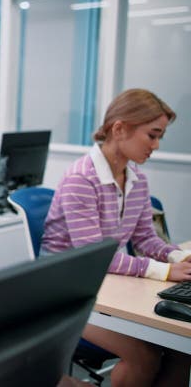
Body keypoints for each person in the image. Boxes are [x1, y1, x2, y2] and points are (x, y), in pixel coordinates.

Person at [41, 88, 191, 387]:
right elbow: (96, 254)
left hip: (108, 284)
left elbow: (146, 238)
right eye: (152, 135)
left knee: (180, 349)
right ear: (120, 129)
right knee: (144, 356)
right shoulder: (80, 179)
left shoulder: (137, 178)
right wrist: (164, 272)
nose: (157, 145)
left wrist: (179, 258)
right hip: (65, 293)